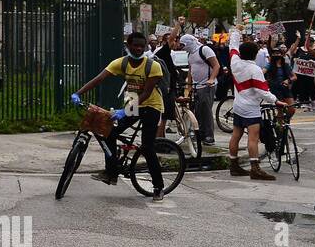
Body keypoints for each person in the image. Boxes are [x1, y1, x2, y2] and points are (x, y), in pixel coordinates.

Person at [71, 31, 166, 201]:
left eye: (141, 46)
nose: (138, 49)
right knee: (109, 132)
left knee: (147, 147)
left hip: (151, 105)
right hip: (133, 104)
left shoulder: (153, 66)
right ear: (128, 46)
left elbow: (146, 93)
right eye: (134, 45)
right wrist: (78, 93)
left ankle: (158, 187)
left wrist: (124, 111)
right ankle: (111, 172)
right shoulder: (120, 63)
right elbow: (98, 79)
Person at [225, 32, 283, 180]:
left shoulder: (235, 61)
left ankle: (234, 165)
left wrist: (237, 32)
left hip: (237, 105)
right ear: (255, 54)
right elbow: (262, 91)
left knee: (236, 135)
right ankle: (255, 169)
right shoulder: (255, 69)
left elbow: (232, 46)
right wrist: (275, 101)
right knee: (253, 138)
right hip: (251, 108)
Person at [178, 32, 220, 149]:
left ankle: (209, 136)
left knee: (206, 110)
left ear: (189, 42)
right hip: (196, 86)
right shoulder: (190, 54)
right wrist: (189, 85)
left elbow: (216, 66)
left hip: (207, 86)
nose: (182, 47)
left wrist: (211, 79)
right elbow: (190, 70)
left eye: (183, 44)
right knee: (197, 110)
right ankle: (200, 133)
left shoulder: (205, 50)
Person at [153, 31, 179, 138]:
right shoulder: (162, 51)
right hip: (165, 90)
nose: (176, 43)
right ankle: (160, 141)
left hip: (167, 88)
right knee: (163, 118)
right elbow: (172, 38)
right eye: (175, 41)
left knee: (164, 118)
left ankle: (161, 139)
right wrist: (178, 24)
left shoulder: (166, 54)